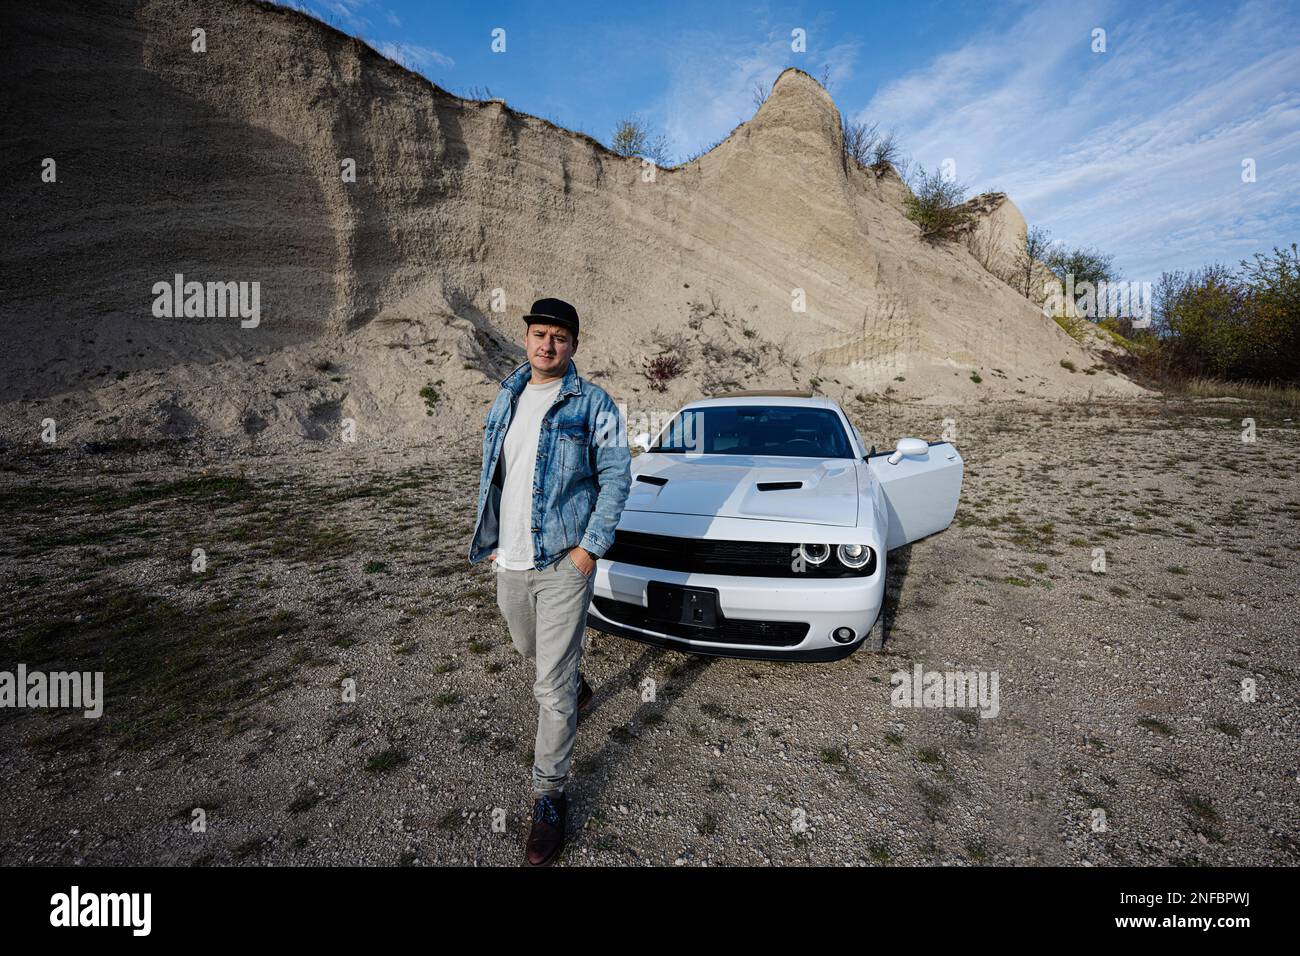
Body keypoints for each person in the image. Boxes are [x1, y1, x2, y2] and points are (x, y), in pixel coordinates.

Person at [468, 296, 631, 865]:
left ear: (574, 345)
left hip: (564, 561)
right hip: (509, 561)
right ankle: (577, 683)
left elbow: (616, 477)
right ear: (527, 338)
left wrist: (590, 550)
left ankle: (549, 796)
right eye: (539, 334)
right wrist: (493, 542)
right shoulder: (508, 394)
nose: (547, 345)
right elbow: (496, 471)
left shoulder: (594, 403)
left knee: (550, 689)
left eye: (559, 337)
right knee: (529, 650)